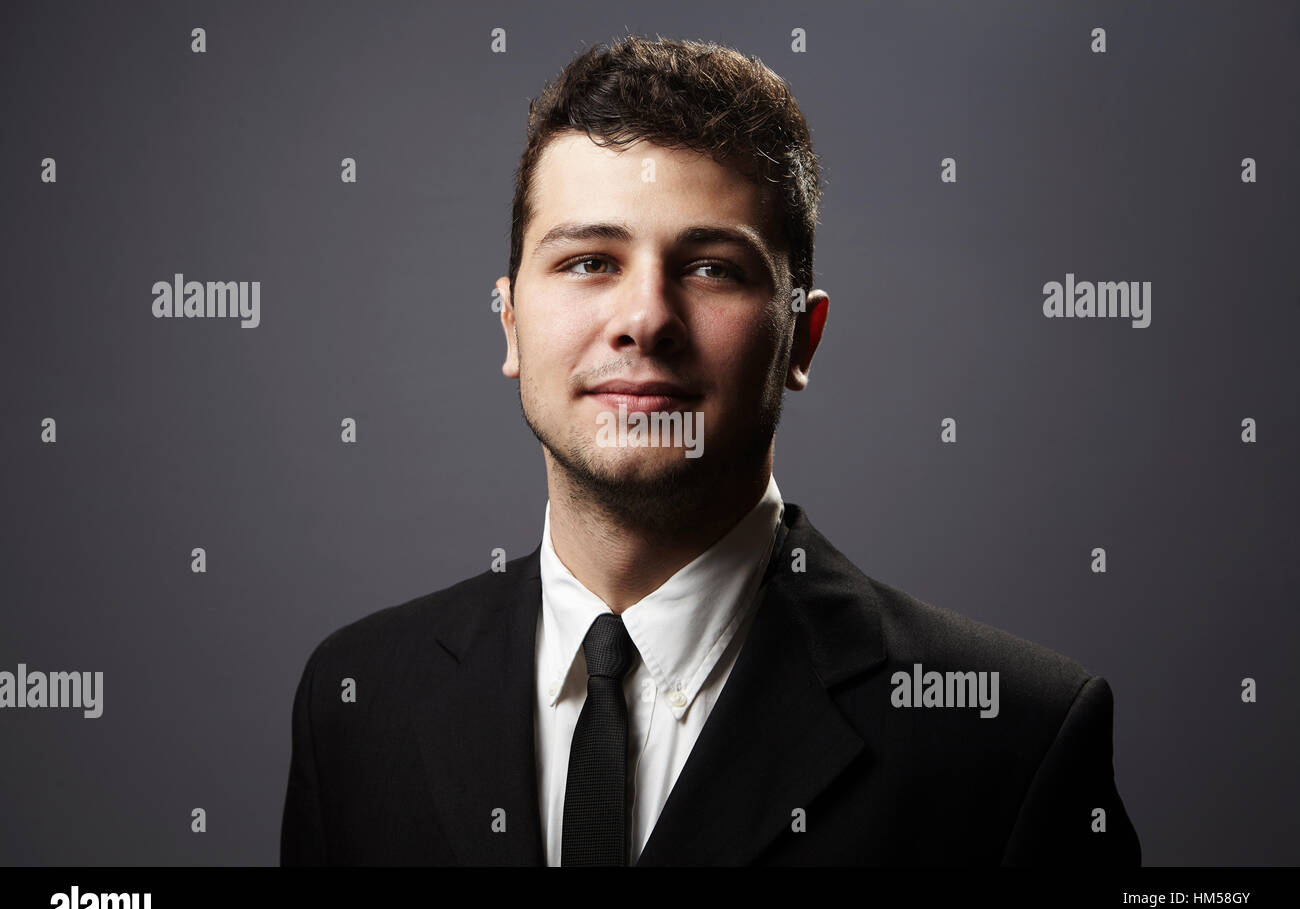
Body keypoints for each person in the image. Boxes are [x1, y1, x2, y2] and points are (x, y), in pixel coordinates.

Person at [280, 35, 1141, 866]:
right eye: (588, 261)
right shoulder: (357, 701)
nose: (644, 318)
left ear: (801, 339)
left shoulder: (1011, 739)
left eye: (711, 268)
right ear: (509, 323)